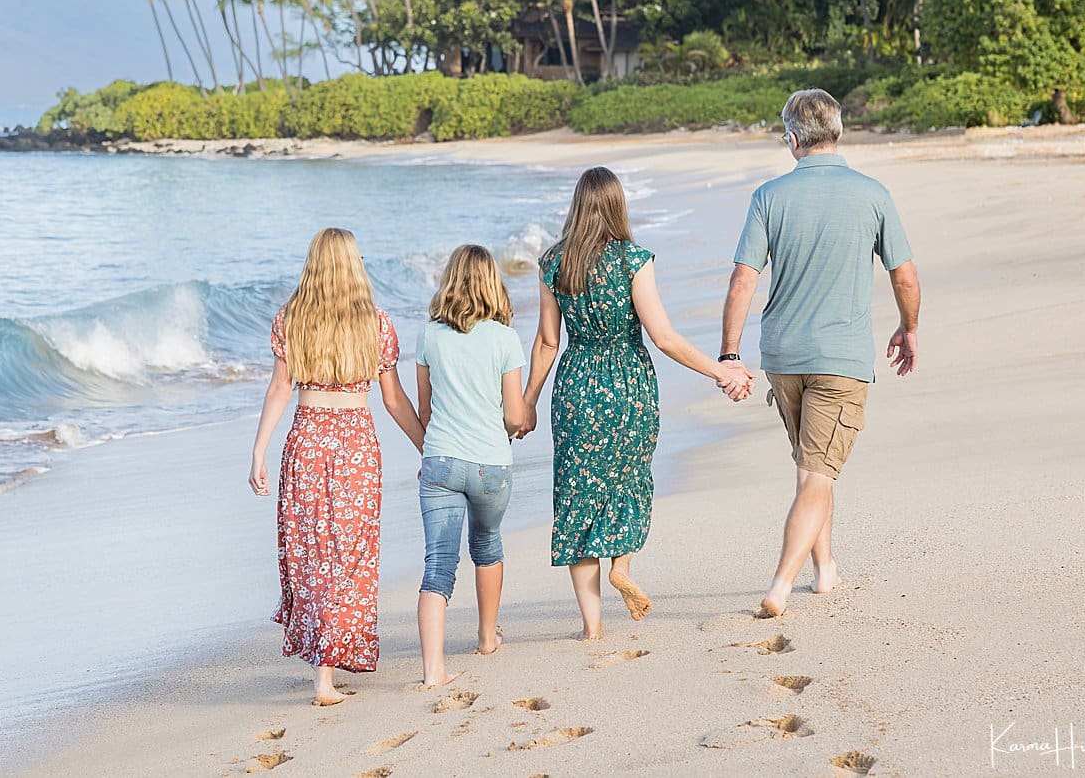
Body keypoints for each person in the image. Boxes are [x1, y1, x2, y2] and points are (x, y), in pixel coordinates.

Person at [522, 167, 755, 641]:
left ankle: (591, 627)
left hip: (577, 386)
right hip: (628, 383)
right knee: (628, 480)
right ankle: (621, 567)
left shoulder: (553, 263)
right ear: (617, 206)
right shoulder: (634, 260)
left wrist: (528, 402)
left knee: (577, 494)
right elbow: (664, 337)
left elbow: (547, 342)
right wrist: (721, 370)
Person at [720, 88, 921, 619]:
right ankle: (782, 584)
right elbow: (904, 274)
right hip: (840, 357)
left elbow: (744, 279)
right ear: (838, 131)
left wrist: (729, 352)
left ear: (792, 140)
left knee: (811, 467)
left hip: (783, 356)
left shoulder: (769, 196)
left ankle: (824, 570)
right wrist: (909, 327)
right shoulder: (872, 194)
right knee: (819, 472)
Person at [248, 227, 425, 706]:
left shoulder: (291, 320)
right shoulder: (377, 324)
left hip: (306, 441)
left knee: (313, 553)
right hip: (355, 447)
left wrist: (259, 451)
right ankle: (327, 671)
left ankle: (322, 665)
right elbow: (394, 399)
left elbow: (280, 391)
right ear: (354, 265)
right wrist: (426, 447)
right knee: (350, 554)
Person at [414, 245, 527, 688]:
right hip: (490, 464)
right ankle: (485, 637)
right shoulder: (505, 339)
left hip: (440, 460)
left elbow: (425, 410)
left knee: (438, 563)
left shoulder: (430, 336)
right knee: (487, 544)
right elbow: (515, 416)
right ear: (492, 285)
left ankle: (432, 670)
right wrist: (507, 427)